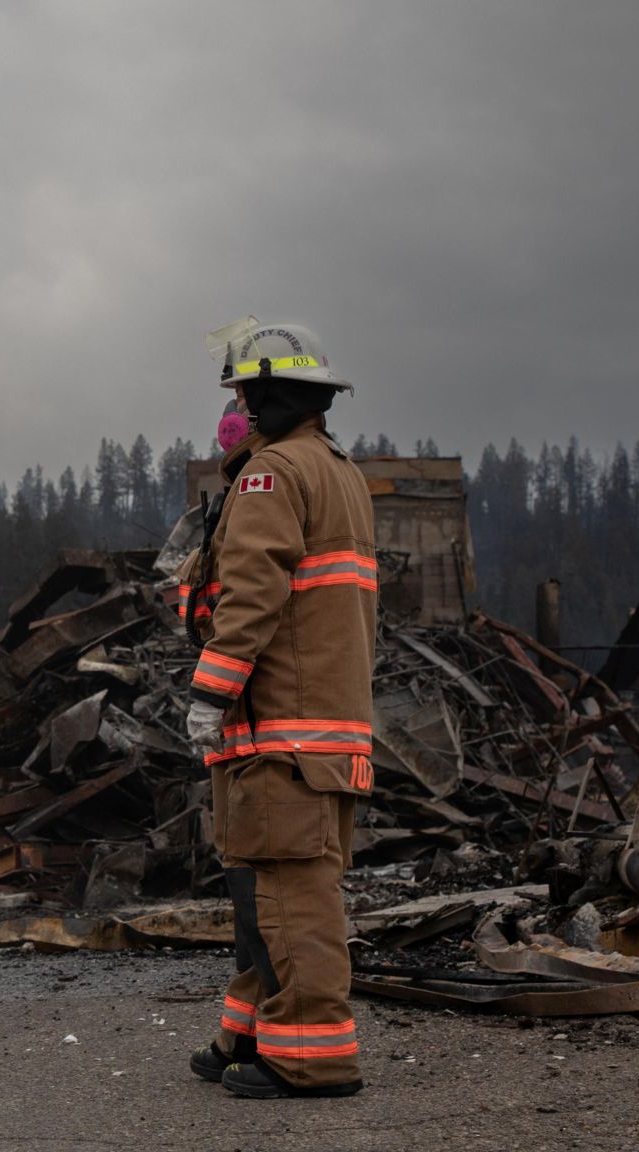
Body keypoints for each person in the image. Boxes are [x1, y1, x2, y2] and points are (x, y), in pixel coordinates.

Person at [180, 320, 378, 1099]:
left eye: (242, 395)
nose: (237, 410)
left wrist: (210, 690)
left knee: (292, 895)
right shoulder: (339, 473)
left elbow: (253, 595)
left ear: (265, 397)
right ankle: (248, 1038)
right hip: (322, 727)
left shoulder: (269, 477)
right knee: (269, 894)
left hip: (281, 734)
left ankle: (312, 1058)